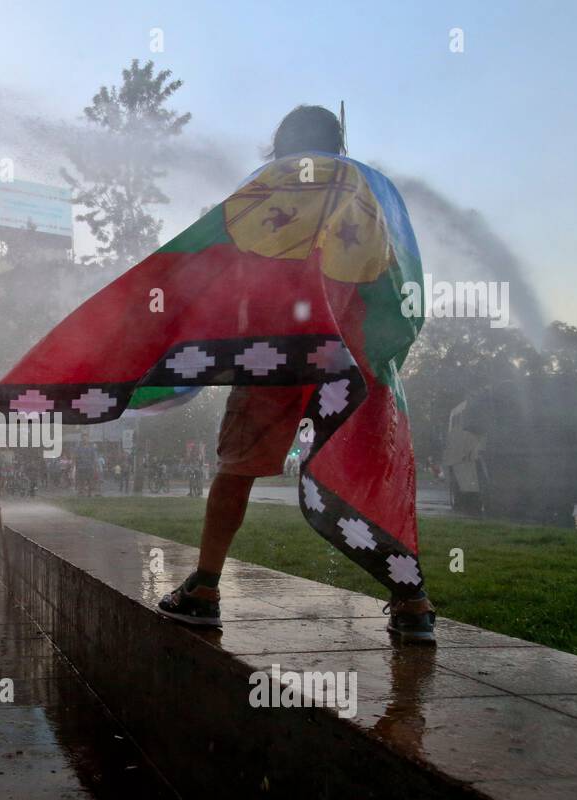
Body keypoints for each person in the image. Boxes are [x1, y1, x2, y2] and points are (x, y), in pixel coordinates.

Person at [156, 105, 436, 644]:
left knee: (235, 468)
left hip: (276, 353)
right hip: (353, 361)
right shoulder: (369, 189)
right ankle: (412, 603)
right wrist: (380, 349)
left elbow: (225, 262)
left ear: (281, 145)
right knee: (373, 469)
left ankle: (205, 589)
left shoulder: (269, 185)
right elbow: (402, 275)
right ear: (339, 142)